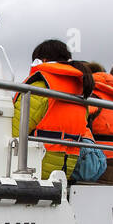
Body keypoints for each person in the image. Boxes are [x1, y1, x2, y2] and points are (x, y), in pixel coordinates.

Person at [12, 40, 93, 180]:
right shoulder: (81, 88)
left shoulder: (40, 86)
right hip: (65, 167)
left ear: (42, 60)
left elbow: (15, 131)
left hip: (36, 165)